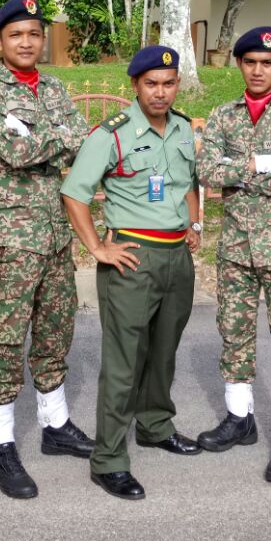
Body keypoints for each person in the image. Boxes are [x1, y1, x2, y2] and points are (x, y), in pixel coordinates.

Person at [60, 46, 202, 500]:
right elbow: (74, 193)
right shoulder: (111, 134)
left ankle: (156, 426)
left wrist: (194, 223)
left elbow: (189, 180)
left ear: (177, 84)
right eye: (151, 84)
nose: (161, 92)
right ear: (135, 85)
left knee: (164, 353)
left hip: (177, 258)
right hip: (133, 258)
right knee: (124, 363)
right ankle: (108, 460)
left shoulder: (182, 127)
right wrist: (97, 247)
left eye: (169, 83)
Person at [0, 0, 95, 498]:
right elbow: (15, 151)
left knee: (55, 329)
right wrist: (56, 135)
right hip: (12, 236)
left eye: (35, 34)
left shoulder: (55, 87)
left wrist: (45, 134)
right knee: (4, 339)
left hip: (54, 232)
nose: (27, 42)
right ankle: (1, 446)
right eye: (17, 34)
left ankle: (55, 425)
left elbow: (79, 140)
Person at [195, 26, 271, 484]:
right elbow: (208, 171)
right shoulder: (224, 116)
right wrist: (267, 163)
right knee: (234, 333)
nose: (258, 70)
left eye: (267, 63)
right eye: (250, 62)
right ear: (239, 65)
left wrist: (242, 169)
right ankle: (239, 418)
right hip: (236, 247)